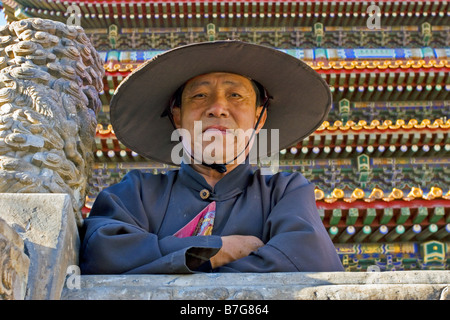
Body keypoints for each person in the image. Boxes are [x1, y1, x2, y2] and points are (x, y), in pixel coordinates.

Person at [79, 40, 344, 274]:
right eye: (200, 96)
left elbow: (310, 261)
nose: (217, 108)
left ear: (258, 117)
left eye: (236, 95)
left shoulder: (284, 191)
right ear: (178, 116)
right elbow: (100, 252)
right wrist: (218, 249)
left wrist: (171, 263)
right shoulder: (137, 192)